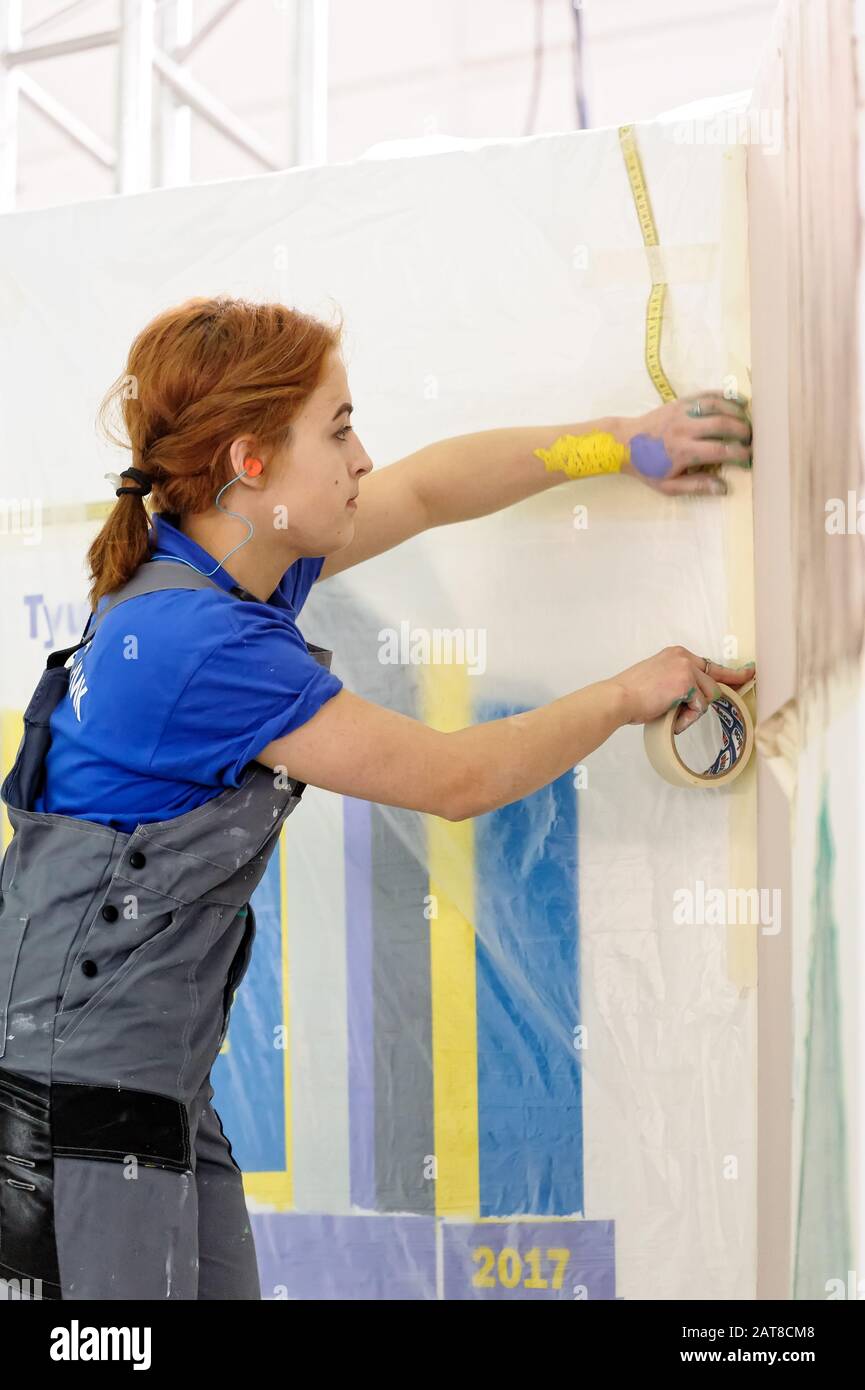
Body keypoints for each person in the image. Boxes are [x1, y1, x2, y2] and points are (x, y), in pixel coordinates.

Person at [0, 295, 755, 1300]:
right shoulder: (204, 646)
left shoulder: (210, 566)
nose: (361, 460)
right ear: (252, 463)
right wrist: (626, 692)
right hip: (77, 1105)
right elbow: (455, 780)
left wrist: (623, 445)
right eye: (341, 427)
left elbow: (433, 488)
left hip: (152, 1082)